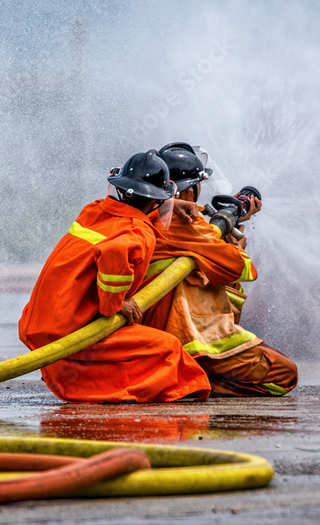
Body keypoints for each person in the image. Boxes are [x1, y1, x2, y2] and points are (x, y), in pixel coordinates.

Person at [18, 149, 212, 403]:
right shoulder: (138, 233)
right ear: (156, 200)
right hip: (68, 332)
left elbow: (130, 214)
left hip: (39, 325)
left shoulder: (94, 211)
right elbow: (114, 251)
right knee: (169, 350)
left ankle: (77, 376)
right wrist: (116, 305)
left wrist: (172, 207)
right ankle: (113, 389)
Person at [139, 142, 298, 396]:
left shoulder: (147, 217)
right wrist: (236, 246)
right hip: (186, 339)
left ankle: (187, 378)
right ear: (190, 190)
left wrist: (226, 222)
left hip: (151, 335)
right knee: (284, 374)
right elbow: (240, 268)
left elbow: (203, 236)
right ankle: (191, 382)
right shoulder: (185, 225)